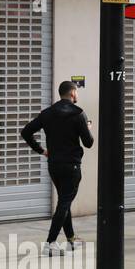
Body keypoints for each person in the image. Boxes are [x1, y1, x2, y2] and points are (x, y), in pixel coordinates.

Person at [21, 81, 94, 254]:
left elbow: (26, 132)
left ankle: (71, 240)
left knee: (64, 201)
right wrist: (88, 128)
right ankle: (50, 243)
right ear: (73, 93)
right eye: (76, 92)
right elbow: (88, 143)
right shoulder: (78, 114)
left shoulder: (47, 113)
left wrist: (41, 151)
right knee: (64, 203)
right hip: (71, 166)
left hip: (54, 165)